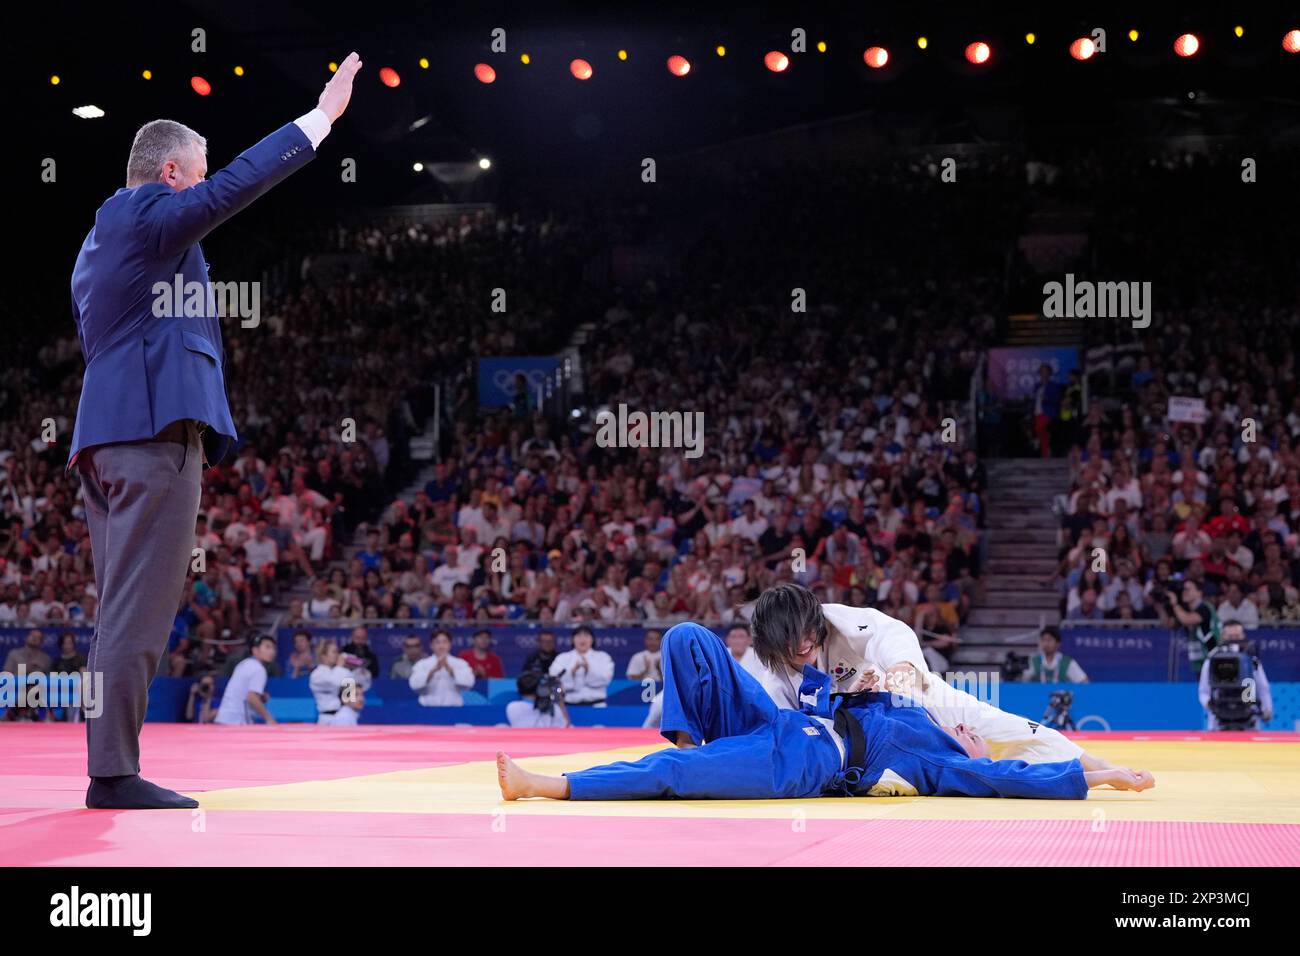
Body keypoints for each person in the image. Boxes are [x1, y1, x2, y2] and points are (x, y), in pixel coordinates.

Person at [70, 54, 363, 809]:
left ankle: (109, 764)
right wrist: (320, 121)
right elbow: (236, 186)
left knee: (119, 604)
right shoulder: (146, 216)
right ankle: (114, 775)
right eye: (193, 181)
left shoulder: (97, 242)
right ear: (171, 175)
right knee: (142, 603)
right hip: (150, 436)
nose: (200, 193)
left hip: (105, 438)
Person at [497, 623, 1155, 801]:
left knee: (672, 774)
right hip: (784, 721)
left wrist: (1099, 775)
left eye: (968, 737)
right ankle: (700, 745)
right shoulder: (895, 697)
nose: (963, 733)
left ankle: (551, 786)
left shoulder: (938, 756)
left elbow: (1013, 775)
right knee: (688, 639)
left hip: (809, 757)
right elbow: (821, 681)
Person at [748, 583, 1109, 767]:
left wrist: (902, 666)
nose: (803, 645)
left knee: (991, 721)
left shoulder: (834, 619)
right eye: (791, 644)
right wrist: (846, 699)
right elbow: (795, 734)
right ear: (771, 645)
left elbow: (885, 630)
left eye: (808, 636)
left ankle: (1081, 760)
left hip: (903, 684)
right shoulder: (773, 678)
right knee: (956, 761)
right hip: (869, 735)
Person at [1198, 622, 1273, 731]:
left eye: (1237, 637)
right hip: (1218, 720)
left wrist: (1267, 709)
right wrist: (1209, 704)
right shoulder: (1211, 660)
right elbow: (1204, 691)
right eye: (1230, 637)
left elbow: (1263, 688)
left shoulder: (1252, 660)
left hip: (1249, 717)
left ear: (1243, 636)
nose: (1234, 640)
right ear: (1223, 637)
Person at [213, 636, 278, 726]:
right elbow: (251, 698)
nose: (272, 651)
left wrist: (260, 696)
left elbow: (241, 691)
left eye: (273, 648)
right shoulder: (258, 669)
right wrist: (269, 718)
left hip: (223, 718)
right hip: (237, 722)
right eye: (267, 647)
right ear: (255, 650)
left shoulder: (243, 664)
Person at [548, 626, 615, 706]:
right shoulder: (562, 658)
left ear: (592, 640)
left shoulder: (603, 657)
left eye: (586, 636)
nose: (582, 639)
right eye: (579, 636)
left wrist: (589, 669)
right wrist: (571, 672)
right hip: (568, 705)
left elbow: (606, 679)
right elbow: (553, 678)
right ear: (572, 640)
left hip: (597, 705)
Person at [408, 630, 475, 706]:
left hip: (454, 710)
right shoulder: (422, 664)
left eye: (444, 642)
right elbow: (414, 685)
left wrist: (451, 671)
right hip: (428, 710)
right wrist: (431, 673)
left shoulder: (460, 663)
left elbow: (469, 683)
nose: (441, 645)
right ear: (431, 645)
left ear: (450, 644)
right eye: (437, 642)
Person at [310, 639, 366, 726]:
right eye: (334, 652)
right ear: (323, 656)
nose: (337, 655)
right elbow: (335, 682)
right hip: (327, 719)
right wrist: (340, 667)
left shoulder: (340, 671)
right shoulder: (317, 674)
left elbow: (350, 692)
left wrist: (352, 669)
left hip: (345, 716)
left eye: (337, 652)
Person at [1023, 626, 1089, 683]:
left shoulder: (1067, 662)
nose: (1046, 644)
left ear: (1058, 644)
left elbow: (1084, 682)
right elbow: (1023, 684)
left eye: (1049, 640)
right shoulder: (1033, 661)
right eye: (1043, 640)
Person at [505, 671, 571, 728]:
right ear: (539, 688)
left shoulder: (511, 707)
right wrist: (560, 701)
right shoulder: (552, 708)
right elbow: (566, 726)